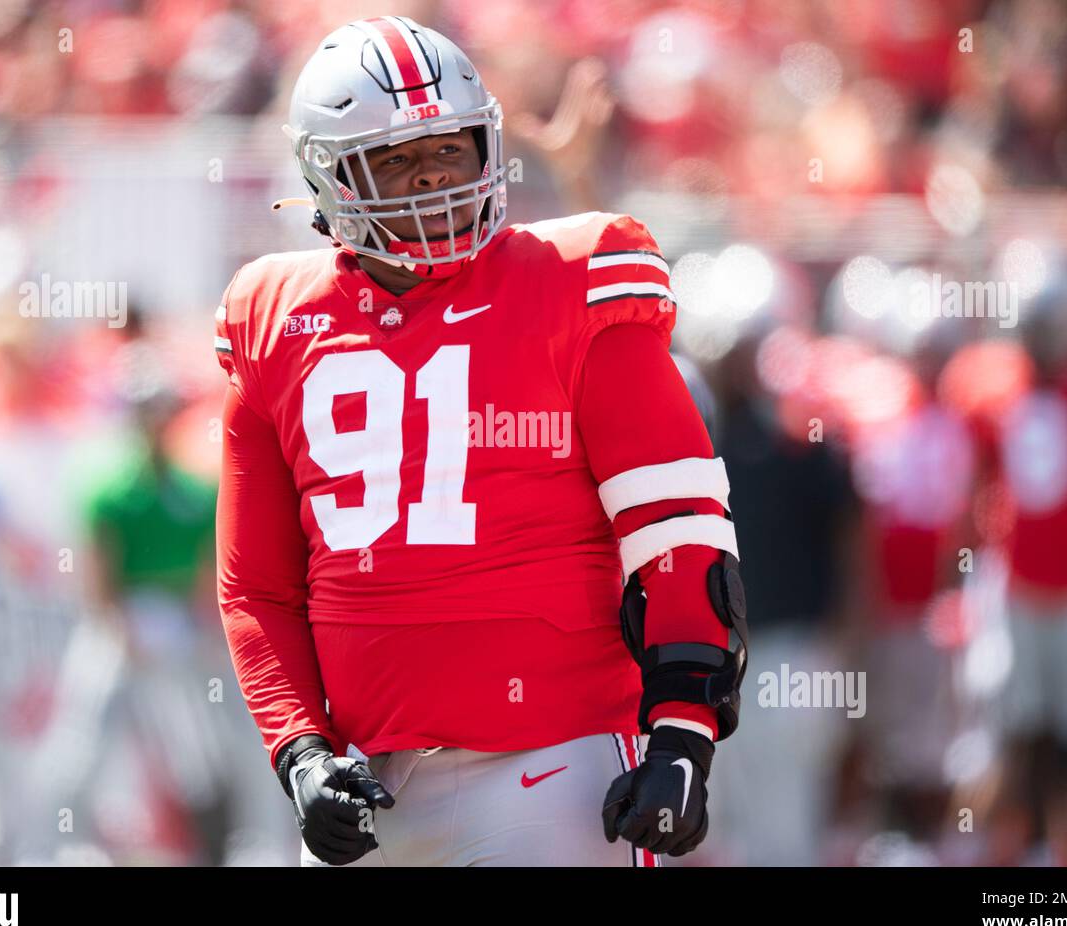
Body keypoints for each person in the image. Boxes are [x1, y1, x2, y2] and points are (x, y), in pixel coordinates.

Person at [214, 16, 749, 867]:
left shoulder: (577, 279)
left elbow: (677, 529)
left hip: (556, 767)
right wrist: (301, 752)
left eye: (449, 147)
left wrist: (682, 735)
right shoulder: (274, 317)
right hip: (371, 782)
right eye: (393, 157)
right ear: (330, 175)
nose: (430, 173)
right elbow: (256, 589)